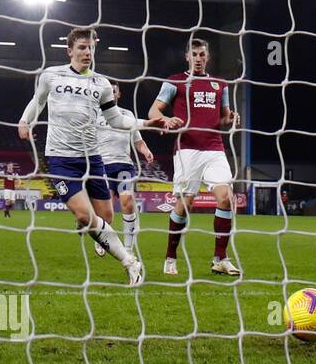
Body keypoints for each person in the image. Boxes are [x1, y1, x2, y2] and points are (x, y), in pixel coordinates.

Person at [18, 28, 175, 285]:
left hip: (93, 159)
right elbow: (38, 100)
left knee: (106, 218)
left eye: (90, 48)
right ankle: (130, 261)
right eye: (81, 47)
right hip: (61, 158)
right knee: (84, 216)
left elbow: (115, 120)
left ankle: (96, 230)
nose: (87, 52)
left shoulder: (101, 84)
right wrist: (25, 121)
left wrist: (147, 123)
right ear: (70, 51)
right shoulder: (51, 75)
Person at [148, 37, 241, 276]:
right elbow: (154, 110)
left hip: (214, 149)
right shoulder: (175, 82)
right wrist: (166, 119)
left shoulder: (221, 85)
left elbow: (223, 119)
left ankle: (220, 258)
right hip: (187, 149)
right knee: (185, 204)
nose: (198, 58)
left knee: (226, 199)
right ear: (187, 57)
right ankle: (170, 256)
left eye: (202, 54)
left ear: (207, 57)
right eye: (194, 54)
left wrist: (228, 120)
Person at [98, 82, 155, 253]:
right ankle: (101, 238)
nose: (111, 93)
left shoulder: (126, 114)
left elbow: (137, 140)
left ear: (118, 95)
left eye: (114, 91)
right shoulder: (95, 115)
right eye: (108, 91)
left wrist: (146, 151)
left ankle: (128, 248)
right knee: (105, 210)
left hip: (124, 166)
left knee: (127, 202)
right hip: (102, 167)